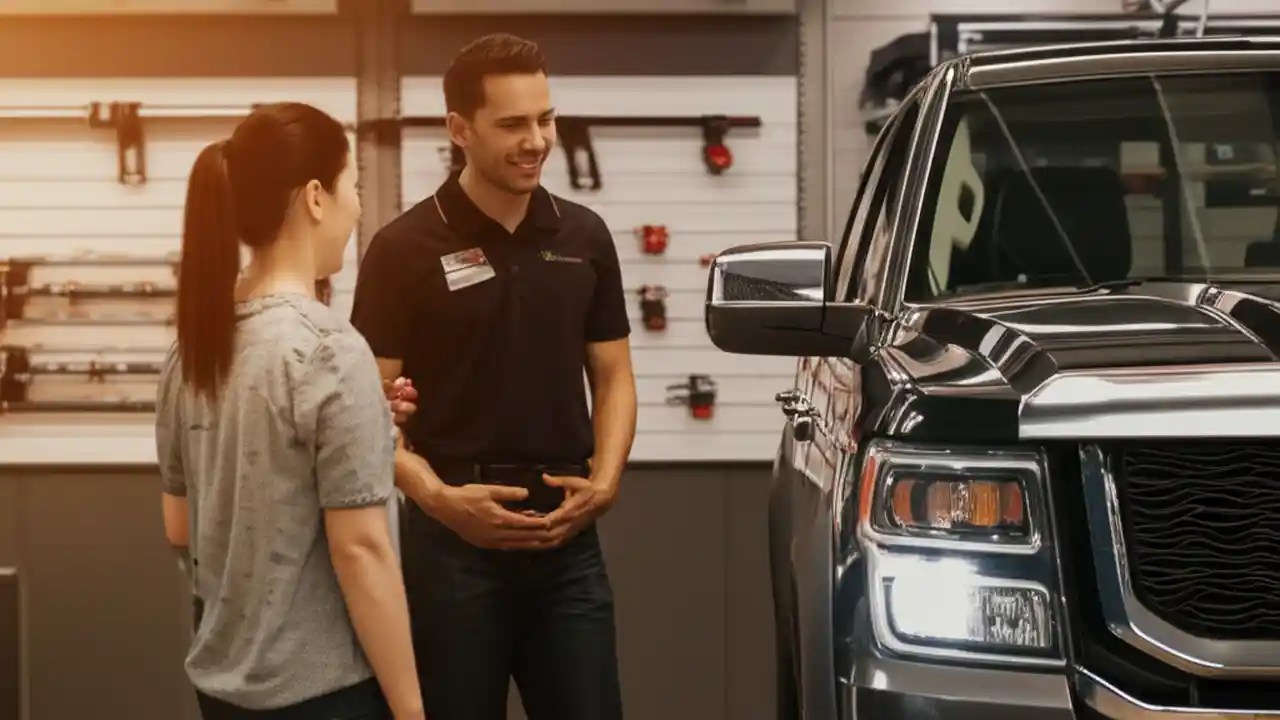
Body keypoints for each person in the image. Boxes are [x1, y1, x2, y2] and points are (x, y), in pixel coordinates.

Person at [349, 33, 638, 720]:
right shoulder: (402, 250)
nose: (536, 140)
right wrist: (439, 498)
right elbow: (361, 415)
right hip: (451, 553)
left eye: (544, 119)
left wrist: (605, 481)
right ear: (459, 129)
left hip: (567, 544)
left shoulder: (585, 237)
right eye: (512, 124)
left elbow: (615, 374)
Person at [154, 102, 426, 720]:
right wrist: (412, 711)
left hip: (223, 691)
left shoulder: (191, 350)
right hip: (324, 694)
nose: (358, 205)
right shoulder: (329, 349)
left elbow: (180, 526)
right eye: (352, 185)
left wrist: (365, 431)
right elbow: (362, 552)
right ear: (315, 198)